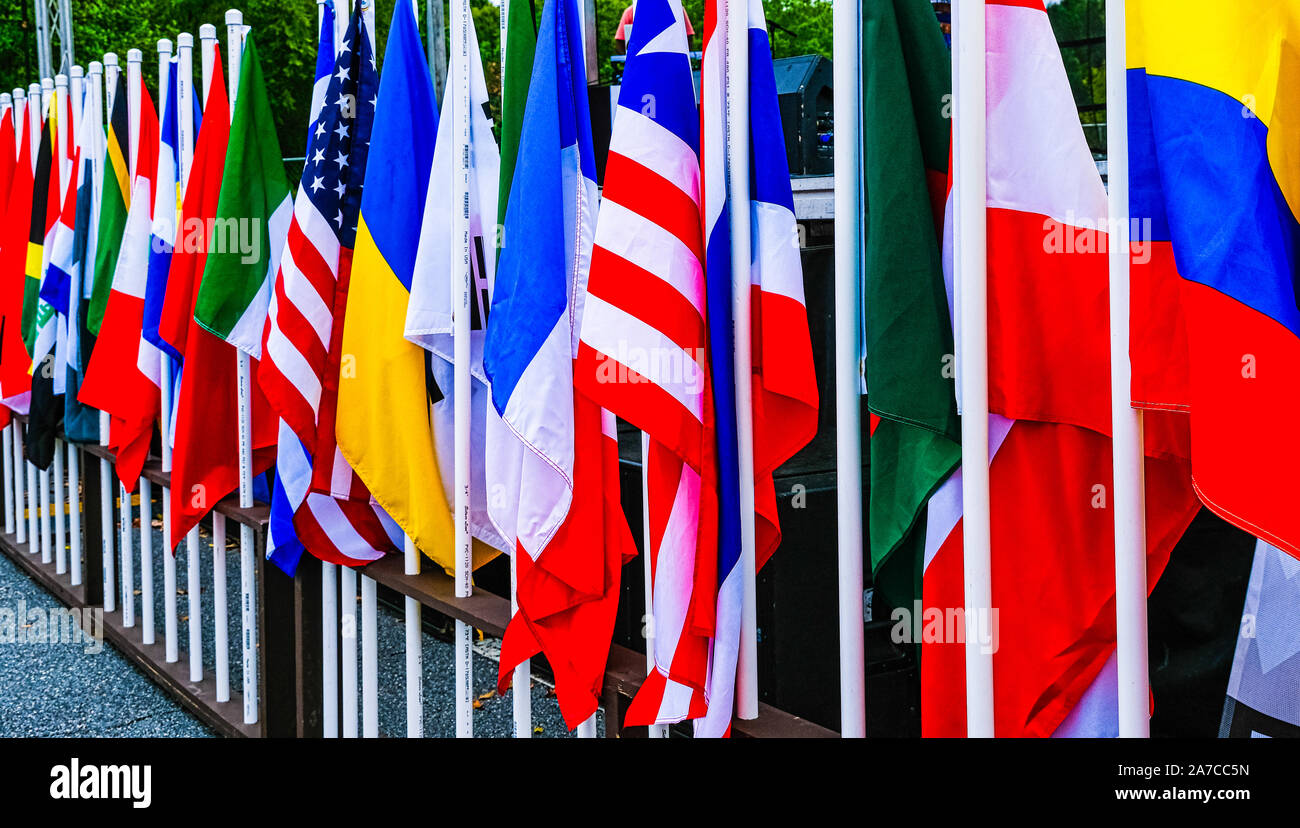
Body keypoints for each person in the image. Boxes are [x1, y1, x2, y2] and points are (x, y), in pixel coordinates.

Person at [614, 3, 695, 54]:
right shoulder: (630, 12)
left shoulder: (678, 10)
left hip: (670, 62)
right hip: (641, 66)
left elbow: (689, 37)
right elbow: (620, 41)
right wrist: (628, 61)